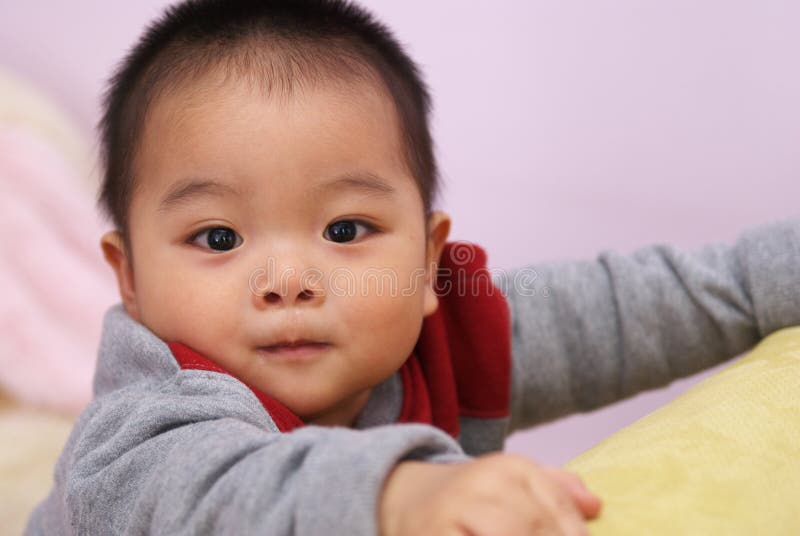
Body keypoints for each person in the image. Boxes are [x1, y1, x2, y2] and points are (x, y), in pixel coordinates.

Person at [26, 0, 800, 534]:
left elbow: (629, 312)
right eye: (220, 239)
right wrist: (400, 496)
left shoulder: (438, 338)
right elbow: (225, 494)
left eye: (345, 228)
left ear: (428, 264)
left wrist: (760, 282)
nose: (288, 280)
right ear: (130, 278)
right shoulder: (136, 439)